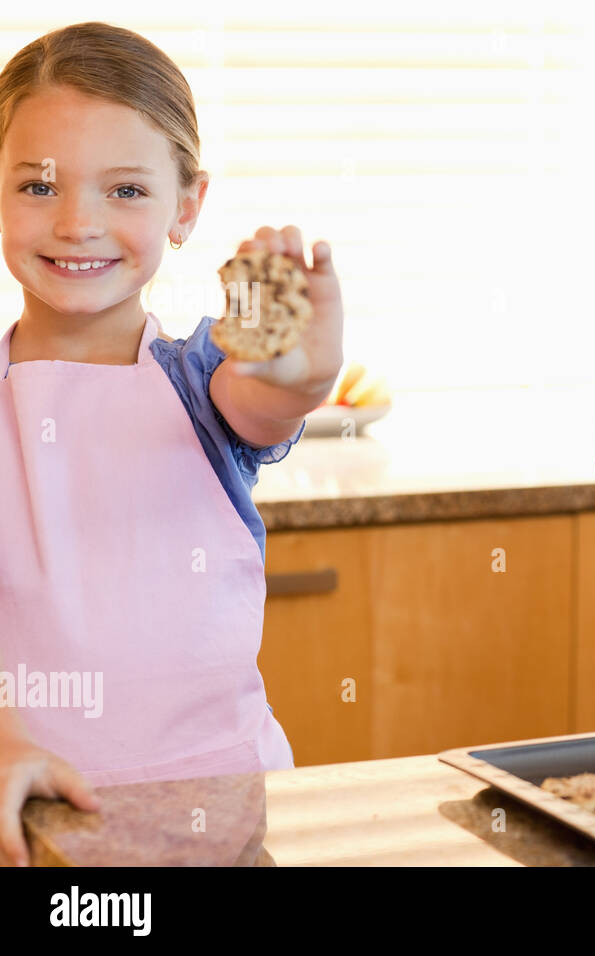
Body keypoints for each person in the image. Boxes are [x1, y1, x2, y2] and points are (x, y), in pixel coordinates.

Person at [0, 22, 344, 865]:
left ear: (185, 206)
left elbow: (268, 393)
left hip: (228, 817)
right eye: (38, 187)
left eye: (125, 190)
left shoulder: (202, 379)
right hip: (33, 822)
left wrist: (298, 361)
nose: (78, 222)